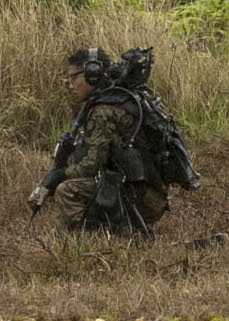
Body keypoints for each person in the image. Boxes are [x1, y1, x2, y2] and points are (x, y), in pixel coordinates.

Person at [28, 48, 173, 235]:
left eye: (74, 78)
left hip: (142, 198)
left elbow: (92, 166)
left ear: (92, 74)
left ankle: (91, 238)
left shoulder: (103, 110)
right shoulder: (116, 99)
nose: (71, 85)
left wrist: (57, 176)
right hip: (150, 193)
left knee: (66, 190)